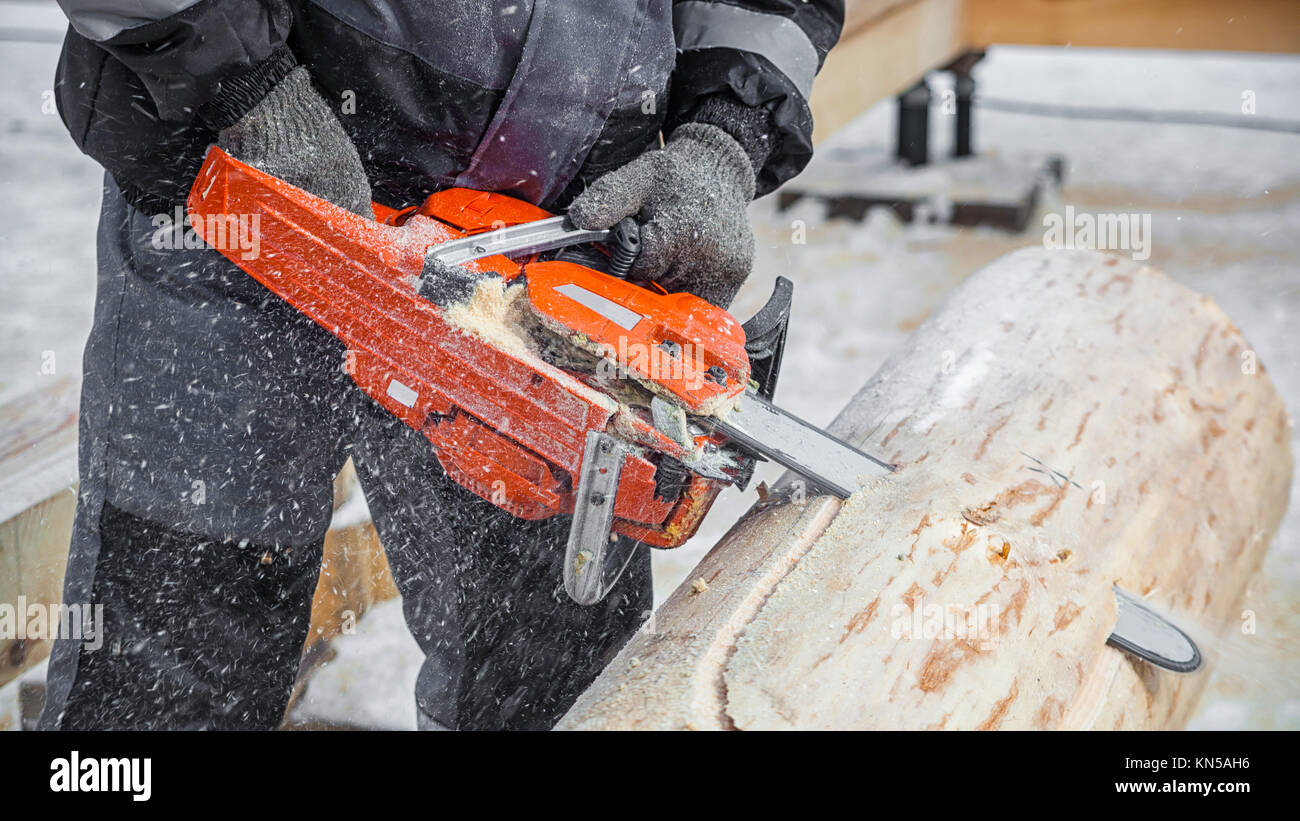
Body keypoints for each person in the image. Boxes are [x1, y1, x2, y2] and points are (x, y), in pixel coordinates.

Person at [40, 0, 844, 730]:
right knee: (171, 659)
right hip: (249, 191)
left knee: (554, 678)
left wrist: (725, 133)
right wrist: (243, 85)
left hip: (550, 253)